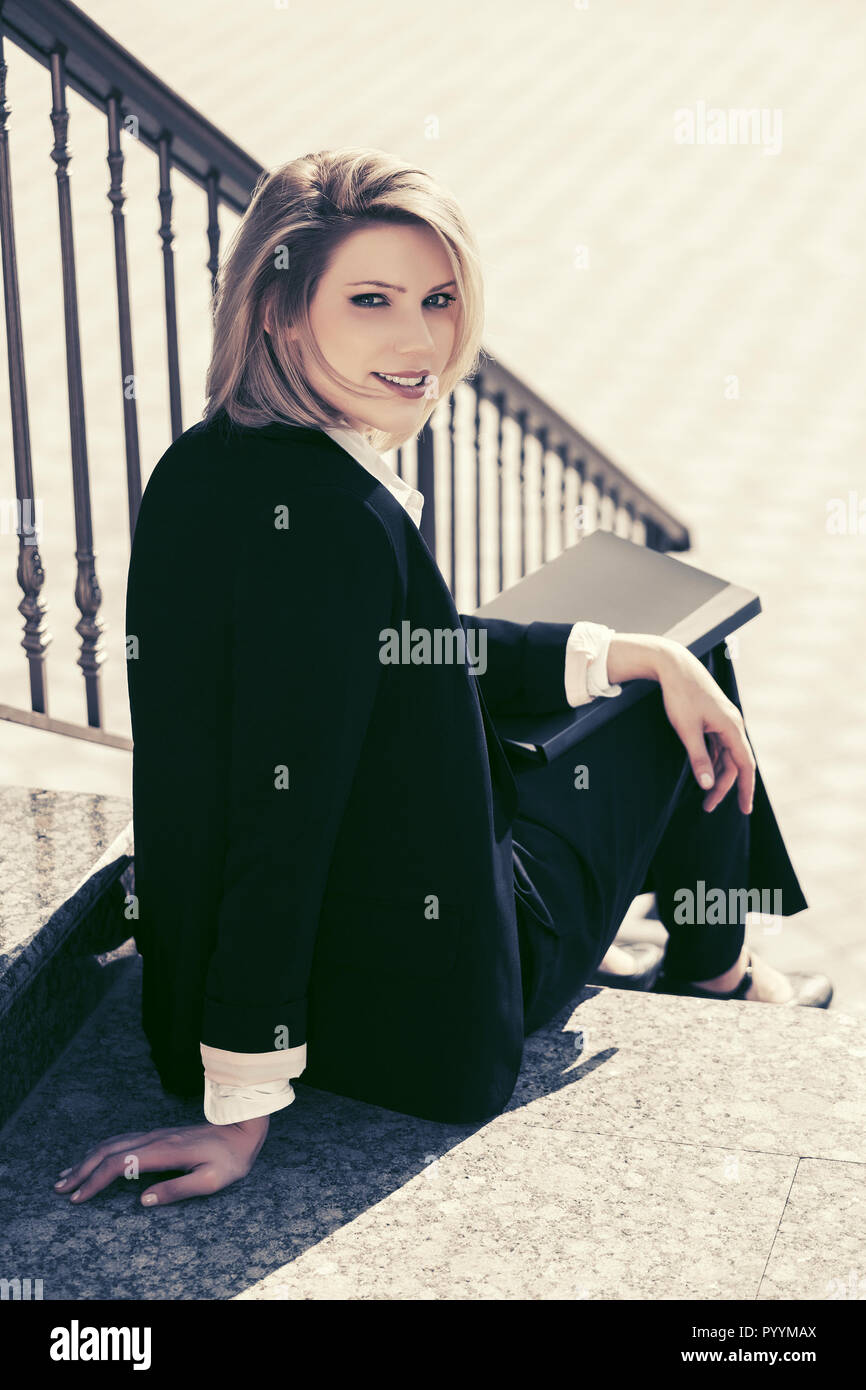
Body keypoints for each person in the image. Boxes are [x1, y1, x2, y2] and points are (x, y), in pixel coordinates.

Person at [52, 147, 829, 1212]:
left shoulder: (209, 465)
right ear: (278, 308)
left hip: (325, 963)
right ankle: (716, 976)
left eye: (437, 298)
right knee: (697, 678)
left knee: (666, 655)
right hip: (430, 1020)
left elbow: (372, 656)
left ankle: (709, 943)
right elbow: (278, 823)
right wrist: (236, 1106)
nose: (420, 342)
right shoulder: (336, 526)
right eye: (369, 300)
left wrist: (619, 651)